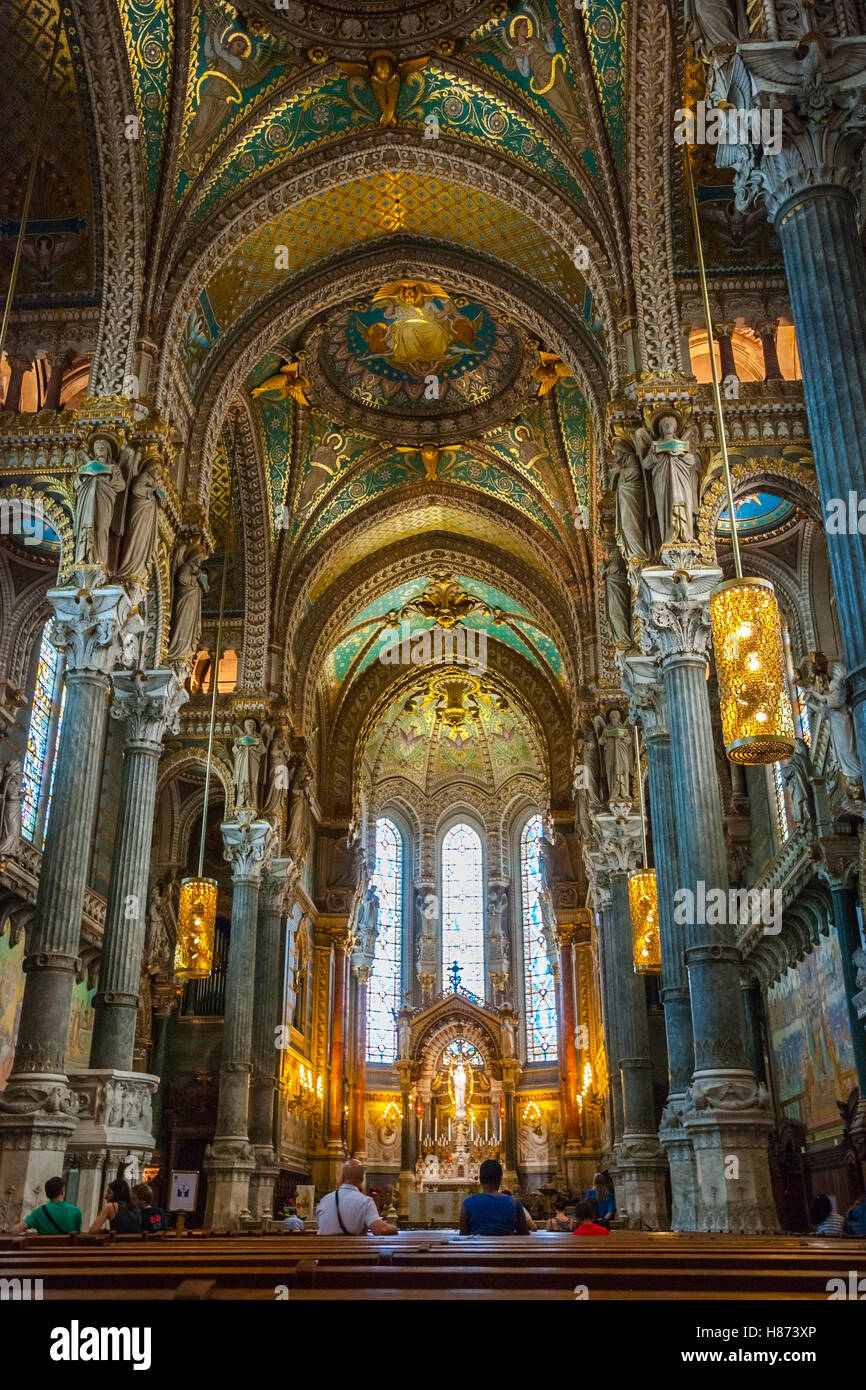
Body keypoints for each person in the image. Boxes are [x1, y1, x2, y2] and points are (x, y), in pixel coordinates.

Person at [316, 1159, 398, 1236]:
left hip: (322, 1246)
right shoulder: (366, 1202)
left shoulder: (324, 1200)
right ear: (362, 1179)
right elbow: (380, 1230)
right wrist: (394, 1228)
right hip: (351, 1246)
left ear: (342, 1177)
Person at [460, 1160, 529, 1236]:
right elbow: (524, 1234)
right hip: (507, 1244)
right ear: (500, 1180)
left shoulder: (468, 1203)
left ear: (480, 1179)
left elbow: (463, 1236)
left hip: (478, 1243)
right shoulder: (514, 1202)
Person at [9, 1176, 82, 1235]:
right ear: (63, 1192)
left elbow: (15, 1230)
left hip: (44, 1248)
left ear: (47, 1194)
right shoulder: (76, 1211)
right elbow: (77, 1234)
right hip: (67, 1249)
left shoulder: (39, 1212)